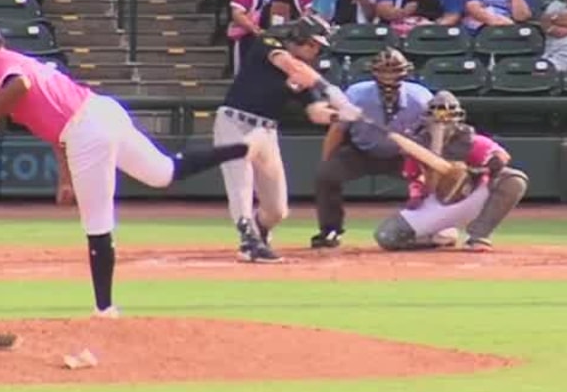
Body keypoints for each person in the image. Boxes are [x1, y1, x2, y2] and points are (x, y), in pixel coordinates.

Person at [0, 21, 251, 313]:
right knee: (163, 173)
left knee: (97, 223)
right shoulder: (21, 59)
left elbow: (20, 85)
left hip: (85, 131)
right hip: (103, 110)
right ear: (1, 40)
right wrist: (65, 178)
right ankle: (242, 149)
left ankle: (104, 310)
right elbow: (54, 130)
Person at [213, 14, 364, 263]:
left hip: (267, 131)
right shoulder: (270, 42)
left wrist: (342, 115)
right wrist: (330, 90)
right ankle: (249, 242)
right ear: (300, 38)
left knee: (277, 210)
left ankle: (259, 231)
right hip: (235, 122)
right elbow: (292, 67)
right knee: (240, 183)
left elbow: (315, 113)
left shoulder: (306, 74)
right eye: (313, 44)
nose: (316, 51)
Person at [373, 92, 528, 251]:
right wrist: (423, 188)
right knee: (388, 236)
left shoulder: (471, 141)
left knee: (513, 179)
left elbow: (500, 155)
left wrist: (477, 170)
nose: (442, 120)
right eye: (437, 114)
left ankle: (479, 236)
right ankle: (439, 235)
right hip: (435, 204)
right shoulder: (417, 146)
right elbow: (415, 181)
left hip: (470, 197)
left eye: (448, 114)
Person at [311, 48, 434, 248]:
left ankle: (428, 229)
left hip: (402, 155)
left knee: (433, 181)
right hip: (361, 151)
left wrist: (427, 164)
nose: (389, 78)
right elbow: (337, 131)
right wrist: (327, 162)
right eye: (384, 72)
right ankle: (330, 230)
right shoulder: (356, 94)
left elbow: (430, 135)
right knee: (326, 176)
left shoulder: (420, 98)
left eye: (394, 72)